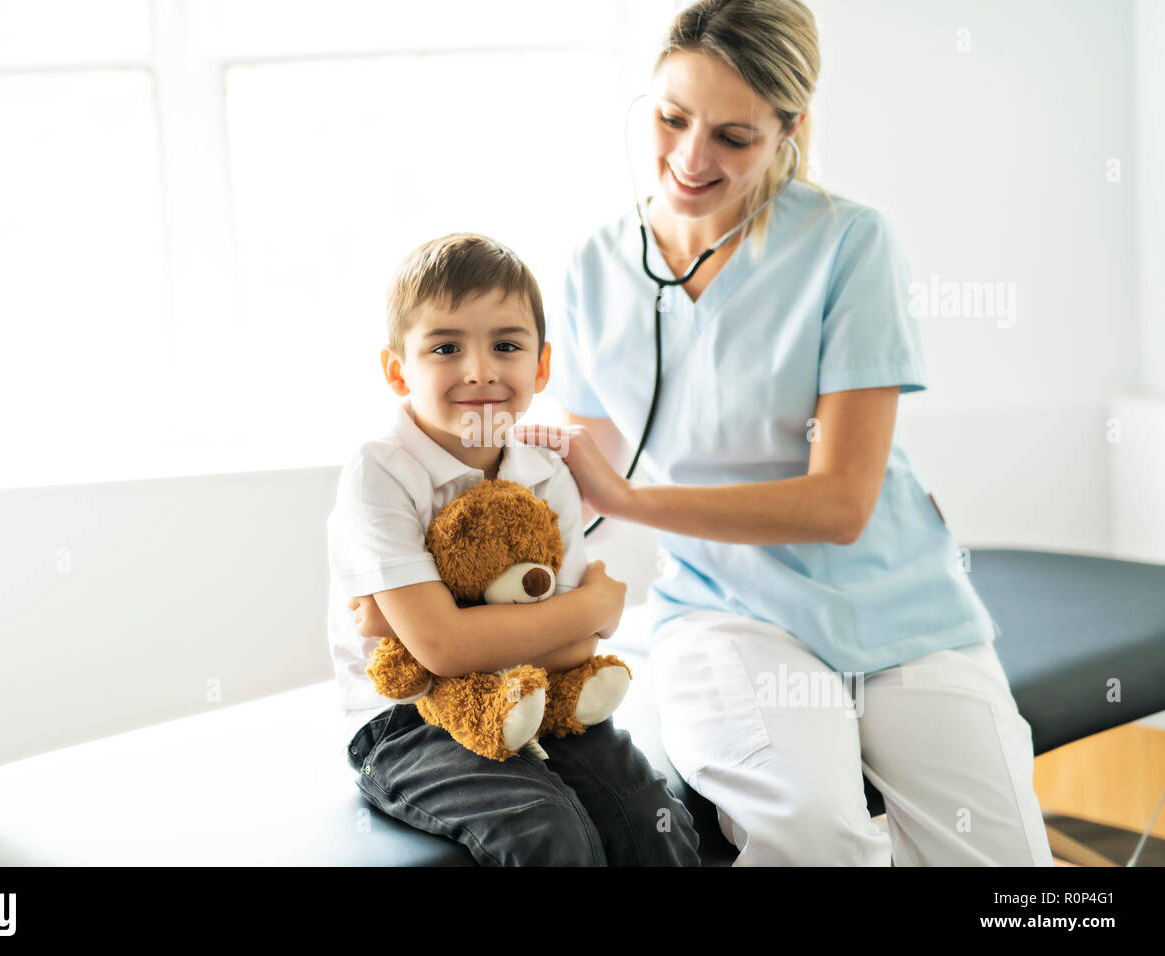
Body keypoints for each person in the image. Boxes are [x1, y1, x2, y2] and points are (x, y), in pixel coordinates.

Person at [512, 0, 1053, 866]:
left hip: (899, 604)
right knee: (814, 831)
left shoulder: (849, 244)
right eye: (672, 118)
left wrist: (631, 498)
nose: (691, 159)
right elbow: (589, 480)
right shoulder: (592, 267)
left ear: (788, 128)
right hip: (725, 613)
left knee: (1007, 868)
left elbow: (841, 503)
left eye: (733, 136)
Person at [328, 232, 701, 866]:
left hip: (543, 692)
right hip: (410, 717)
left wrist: (453, 624)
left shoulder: (546, 471)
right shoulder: (380, 473)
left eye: (506, 345)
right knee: (544, 828)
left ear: (542, 366)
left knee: (650, 817)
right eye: (446, 347)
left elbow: (575, 652)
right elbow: (442, 652)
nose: (481, 370)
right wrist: (597, 606)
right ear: (399, 371)